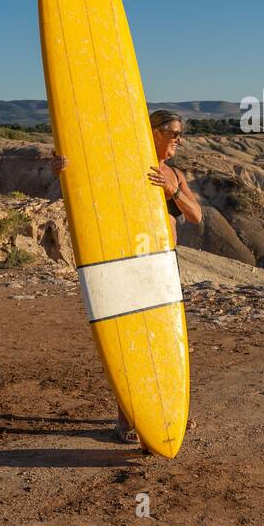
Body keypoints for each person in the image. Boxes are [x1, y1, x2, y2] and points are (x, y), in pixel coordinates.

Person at [51, 109, 202, 445]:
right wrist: (64, 171)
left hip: (163, 268)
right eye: (173, 132)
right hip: (129, 264)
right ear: (153, 132)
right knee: (131, 340)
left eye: (180, 133)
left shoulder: (174, 174)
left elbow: (196, 215)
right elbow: (91, 191)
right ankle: (126, 421)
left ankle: (171, 413)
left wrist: (172, 190)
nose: (179, 139)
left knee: (166, 339)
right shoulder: (126, 168)